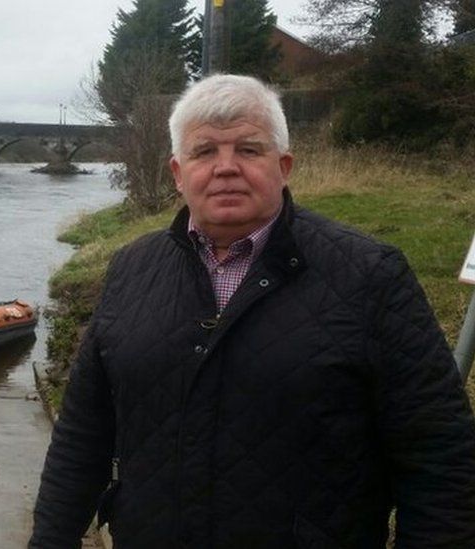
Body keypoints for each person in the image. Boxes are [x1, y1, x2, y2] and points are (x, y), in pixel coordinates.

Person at [30, 74, 475, 548]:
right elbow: (82, 437)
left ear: (283, 166)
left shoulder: (370, 275)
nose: (226, 168)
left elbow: (440, 460)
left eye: (248, 149)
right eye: (204, 152)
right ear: (178, 173)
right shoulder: (131, 270)